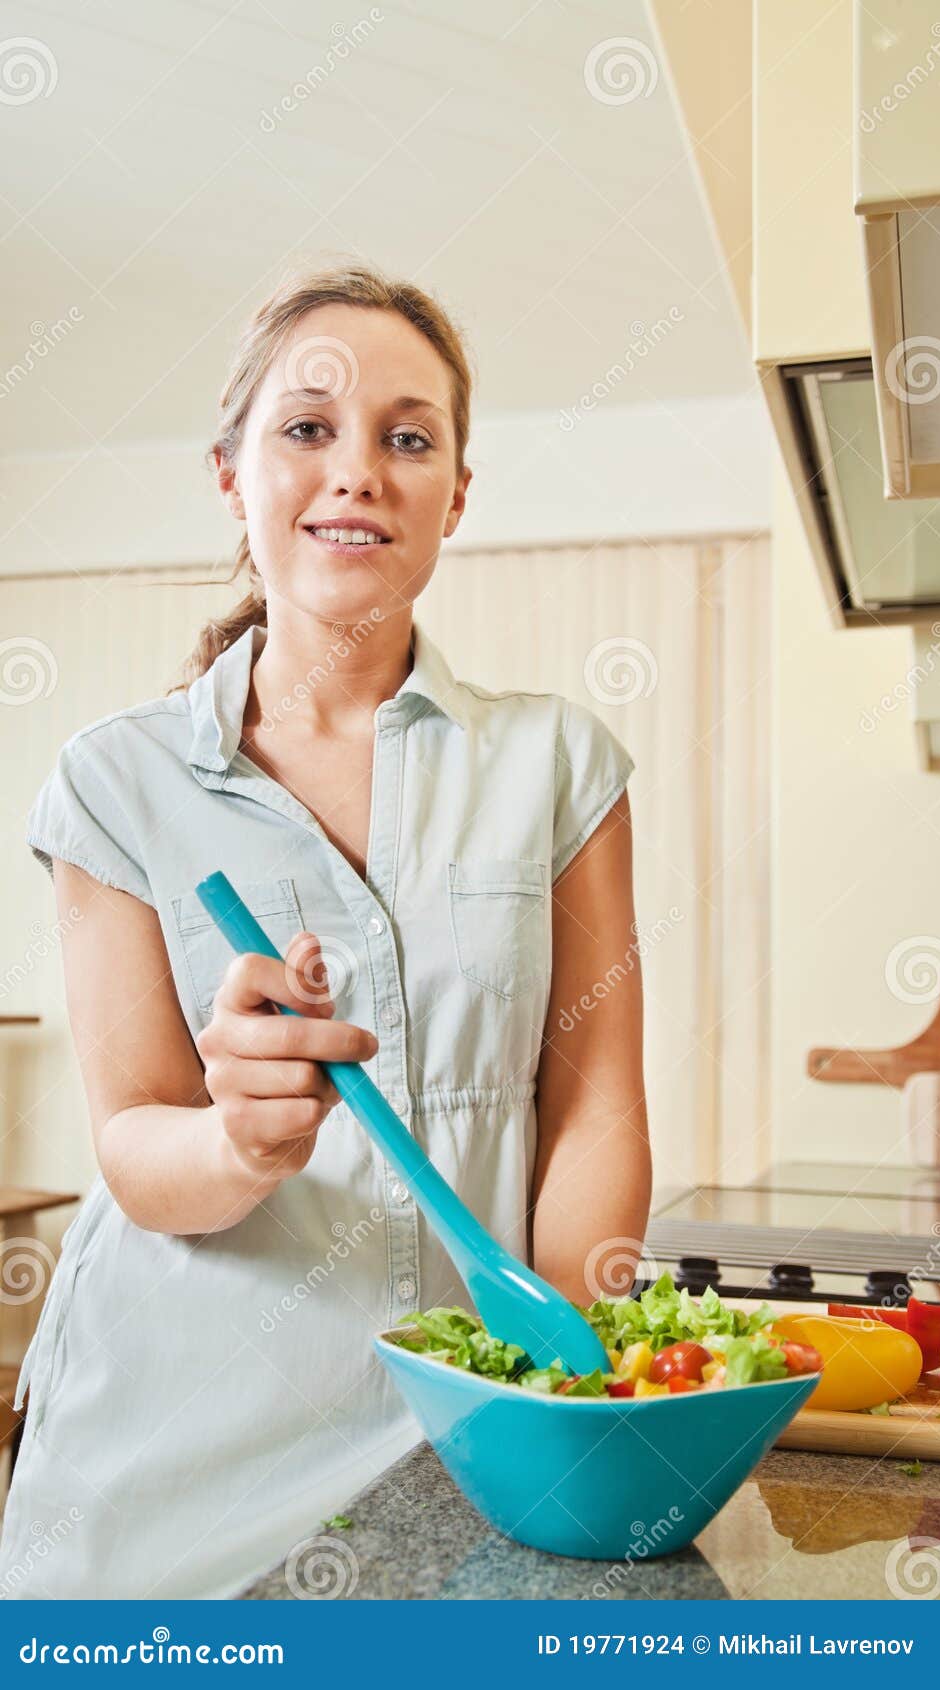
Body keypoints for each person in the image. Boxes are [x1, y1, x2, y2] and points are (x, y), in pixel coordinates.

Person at [0, 262, 651, 1599]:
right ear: (232, 474)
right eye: (307, 428)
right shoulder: (116, 783)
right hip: (169, 1480)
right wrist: (240, 1134)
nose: (358, 468)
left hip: (476, 1447)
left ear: (455, 492)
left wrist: (581, 1389)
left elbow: (592, 1110)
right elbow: (134, 1143)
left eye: (408, 437)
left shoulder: (560, 767)